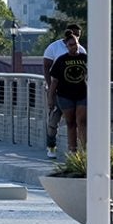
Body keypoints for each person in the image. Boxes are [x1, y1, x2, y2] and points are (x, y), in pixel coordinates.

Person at [48, 28, 87, 154]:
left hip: (82, 93)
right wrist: (51, 97)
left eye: (75, 44)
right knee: (71, 123)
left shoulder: (84, 58)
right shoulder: (61, 60)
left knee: (81, 121)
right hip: (65, 95)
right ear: (66, 46)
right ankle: (72, 150)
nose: (74, 47)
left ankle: (85, 150)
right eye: (71, 45)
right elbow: (54, 81)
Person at [41, 25, 75, 155]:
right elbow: (47, 69)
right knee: (54, 120)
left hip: (75, 93)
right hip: (58, 92)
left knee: (74, 122)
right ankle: (51, 146)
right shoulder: (55, 49)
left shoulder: (82, 52)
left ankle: (73, 150)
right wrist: (51, 91)